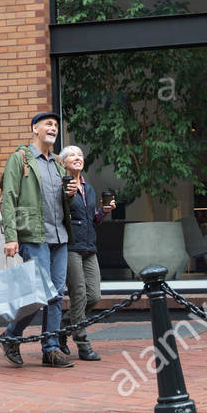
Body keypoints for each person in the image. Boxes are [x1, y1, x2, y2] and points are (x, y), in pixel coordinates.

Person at [0, 112, 79, 368]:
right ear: (35, 129)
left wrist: (70, 194)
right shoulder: (19, 159)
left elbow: (59, 202)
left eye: (56, 125)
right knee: (39, 294)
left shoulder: (56, 164)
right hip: (33, 236)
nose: (53, 128)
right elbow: (9, 198)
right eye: (48, 124)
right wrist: (11, 237)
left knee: (55, 295)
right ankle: (11, 335)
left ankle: (51, 348)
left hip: (60, 236)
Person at [58, 145, 114, 361]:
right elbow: (59, 212)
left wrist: (103, 211)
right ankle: (83, 344)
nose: (77, 157)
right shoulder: (61, 186)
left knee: (94, 296)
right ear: (63, 163)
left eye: (80, 155)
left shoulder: (88, 189)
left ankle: (63, 328)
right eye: (72, 155)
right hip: (71, 247)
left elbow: (93, 219)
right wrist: (67, 195)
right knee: (79, 295)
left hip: (90, 247)